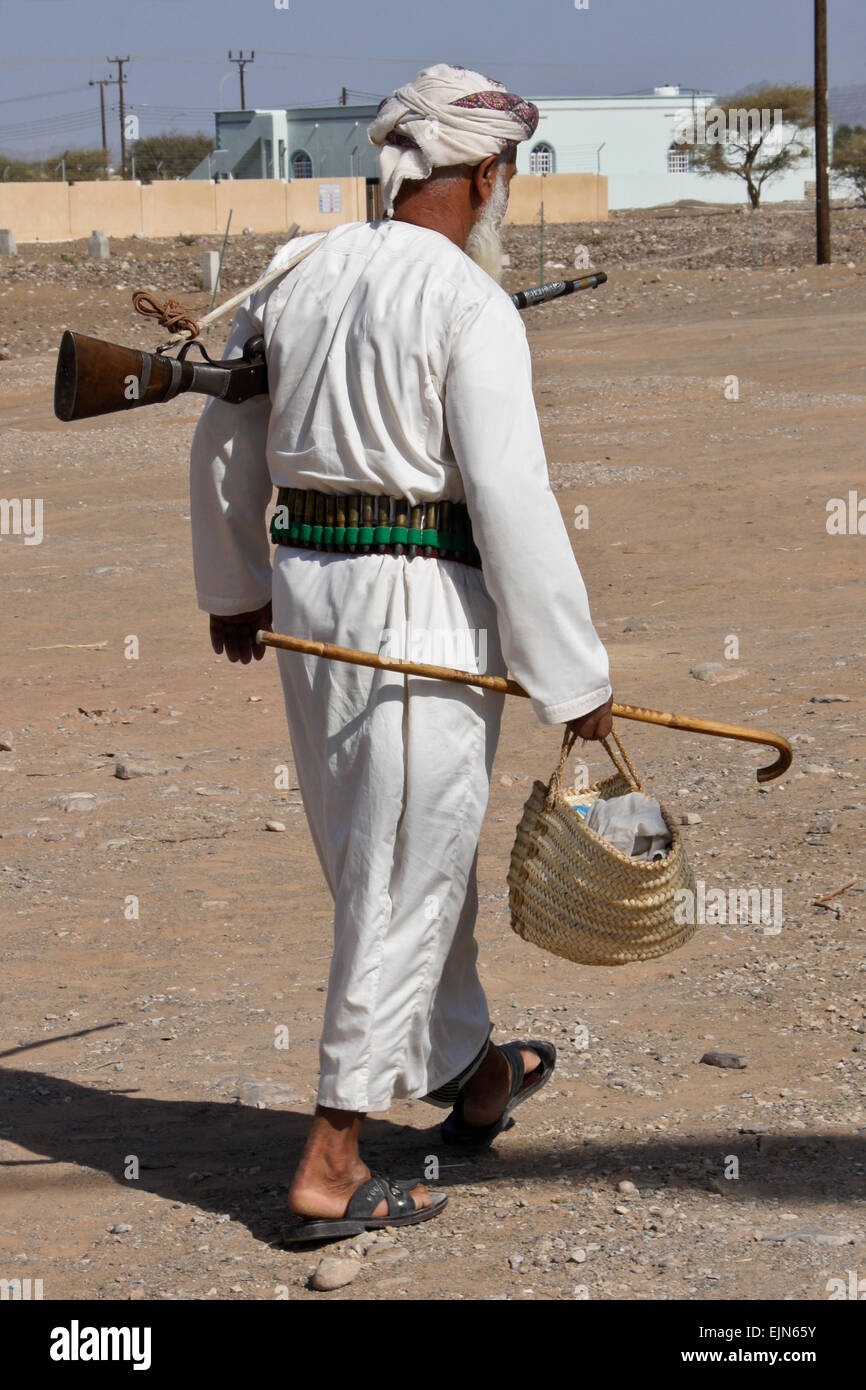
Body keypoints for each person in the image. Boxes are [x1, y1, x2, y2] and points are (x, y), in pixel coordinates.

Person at [189, 63, 613, 1242]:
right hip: (415, 609)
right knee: (396, 873)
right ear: (484, 176)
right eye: (504, 177)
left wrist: (234, 585)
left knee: (395, 849)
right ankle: (331, 1163)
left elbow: (225, 431)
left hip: (307, 602)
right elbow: (512, 501)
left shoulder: (301, 267)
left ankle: (472, 1072)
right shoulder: (469, 304)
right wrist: (577, 687)